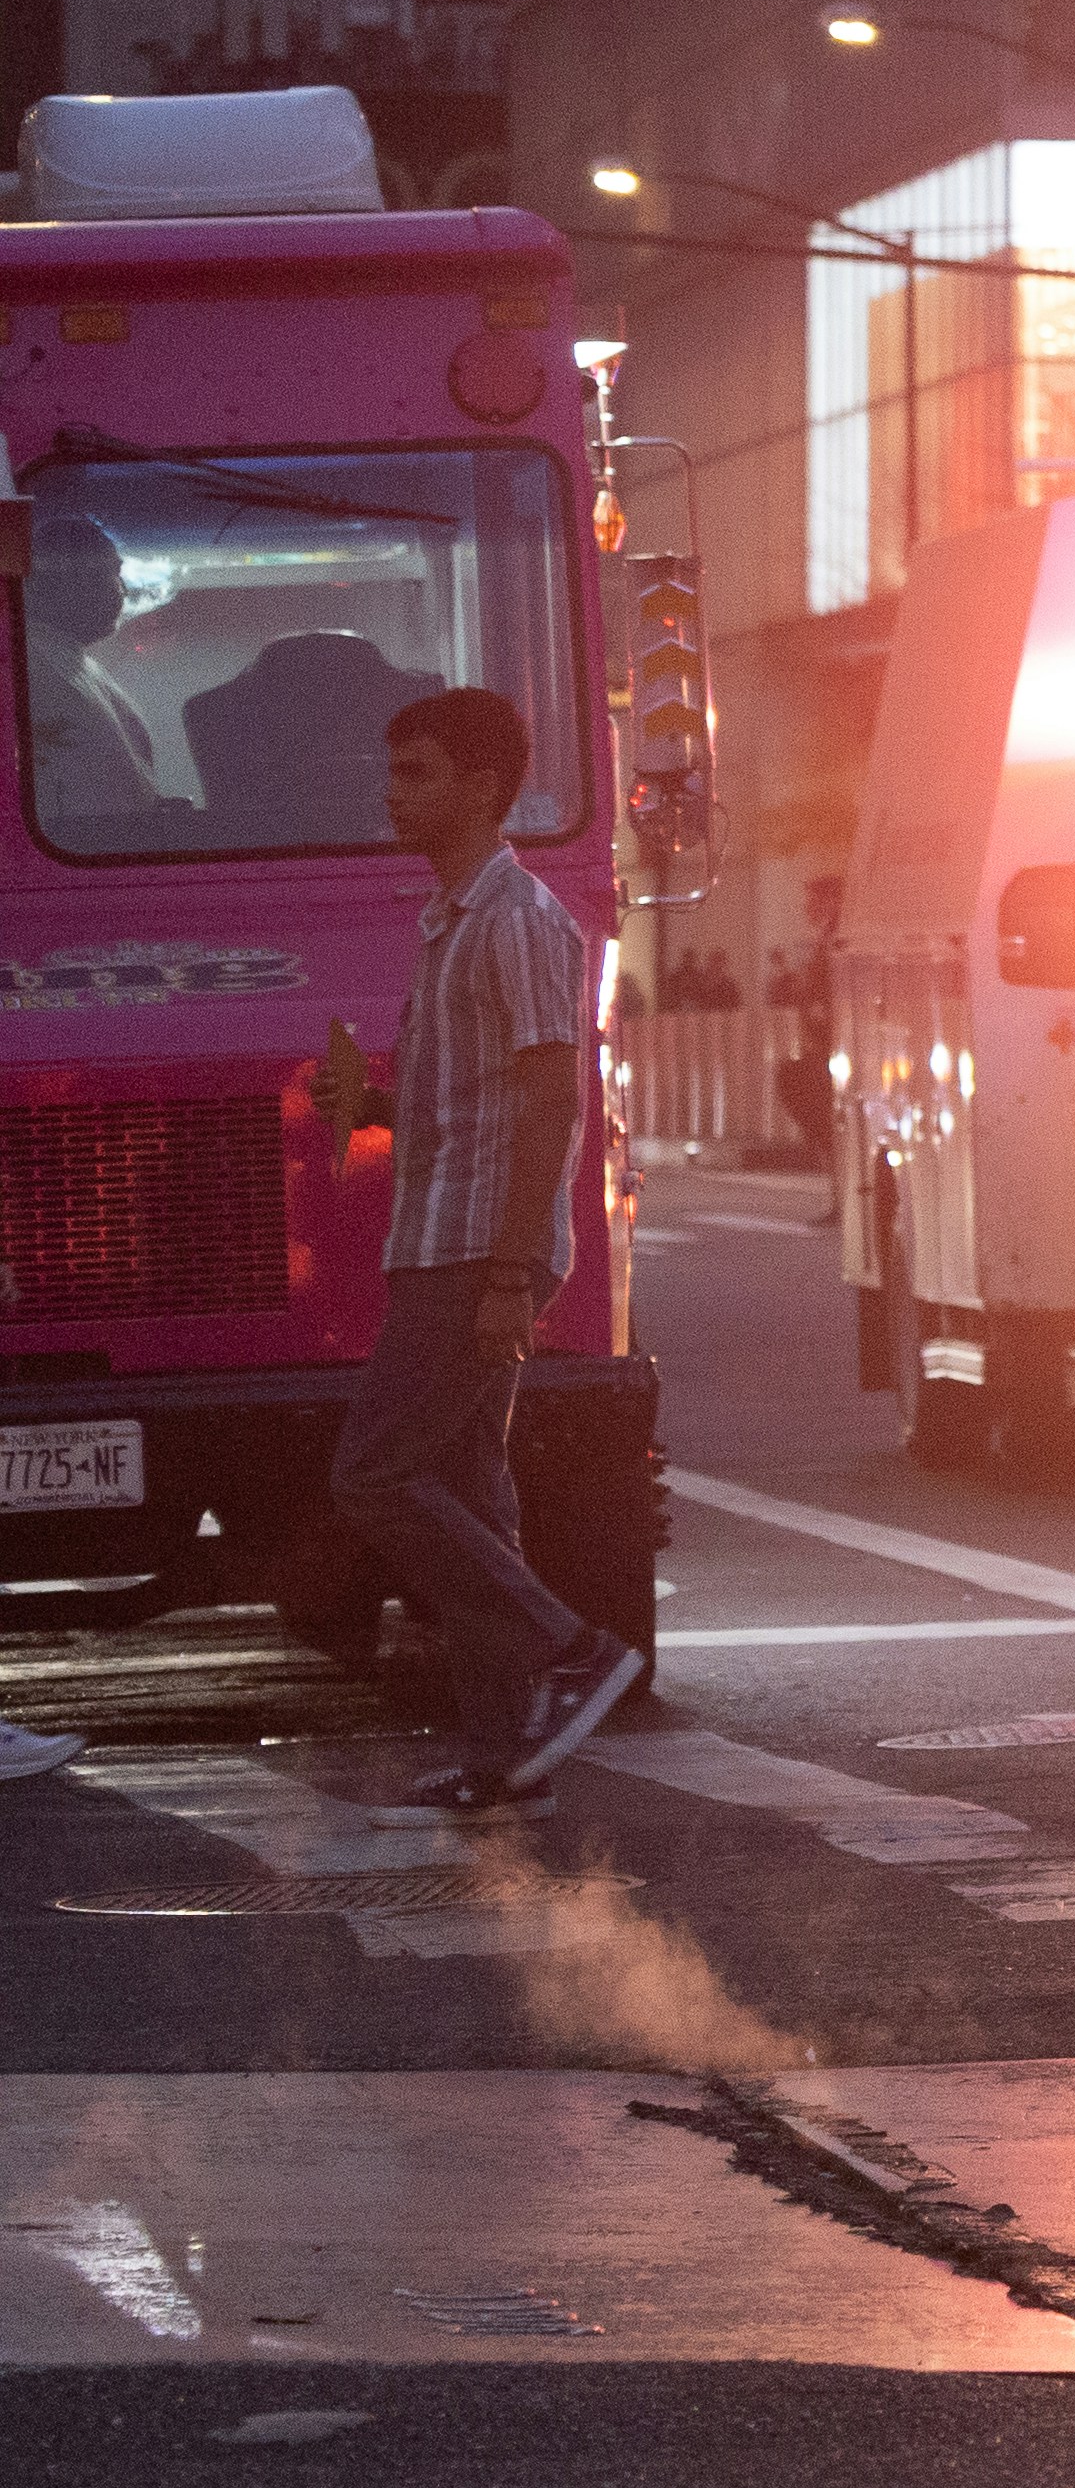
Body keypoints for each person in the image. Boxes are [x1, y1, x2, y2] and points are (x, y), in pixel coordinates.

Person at [323, 687, 632, 1821]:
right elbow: (470, 1102)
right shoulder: (447, 917)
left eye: (418, 772)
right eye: (394, 768)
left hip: (475, 1250)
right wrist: (374, 1104)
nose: (394, 791)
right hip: (438, 1235)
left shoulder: (519, 919)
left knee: (374, 1471)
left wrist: (511, 1272)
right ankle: (506, 1761)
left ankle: (571, 1646)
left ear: (484, 788)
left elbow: (557, 1099)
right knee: (468, 1494)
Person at [15, 505, 167, 841]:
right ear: (58, 581)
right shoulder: (30, 668)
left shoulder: (64, 660)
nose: (122, 590)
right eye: (108, 573)